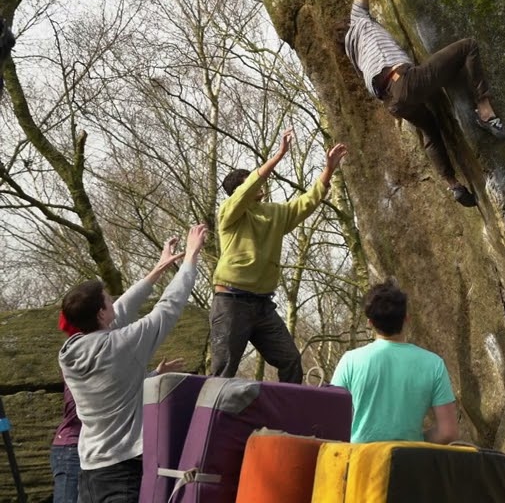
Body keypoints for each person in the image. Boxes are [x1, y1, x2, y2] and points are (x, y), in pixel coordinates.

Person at [344, 0, 505, 208]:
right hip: (406, 83)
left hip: (395, 102)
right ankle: (484, 110)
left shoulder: (356, 55)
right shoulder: (359, 23)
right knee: (468, 46)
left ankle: (452, 184)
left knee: (430, 128)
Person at [58, 224, 208, 503]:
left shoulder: (69, 352)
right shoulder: (121, 345)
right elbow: (168, 307)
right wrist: (190, 258)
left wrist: (158, 269)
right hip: (122, 468)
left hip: (89, 469)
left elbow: (121, 310)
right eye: (107, 299)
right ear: (102, 313)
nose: (114, 299)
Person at [212, 129, 346, 383]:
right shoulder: (229, 214)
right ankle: (213, 421)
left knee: (290, 359)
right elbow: (248, 187)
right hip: (231, 302)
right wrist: (279, 155)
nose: (259, 183)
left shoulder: (273, 213)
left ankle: (291, 419)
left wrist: (329, 170)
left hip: (262, 305)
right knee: (224, 370)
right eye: (251, 180)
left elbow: (306, 202)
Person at [51, 313, 185, 503]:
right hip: (72, 448)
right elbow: (95, 403)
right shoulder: (80, 364)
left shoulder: (96, 357)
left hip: (93, 452)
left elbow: (120, 391)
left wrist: (155, 373)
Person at [331, 281, 458, 444]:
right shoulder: (434, 364)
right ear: (406, 319)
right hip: (410, 462)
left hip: (360, 463)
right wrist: (416, 441)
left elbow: (332, 424)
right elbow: (448, 432)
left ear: (370, 323)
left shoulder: (350, 361)